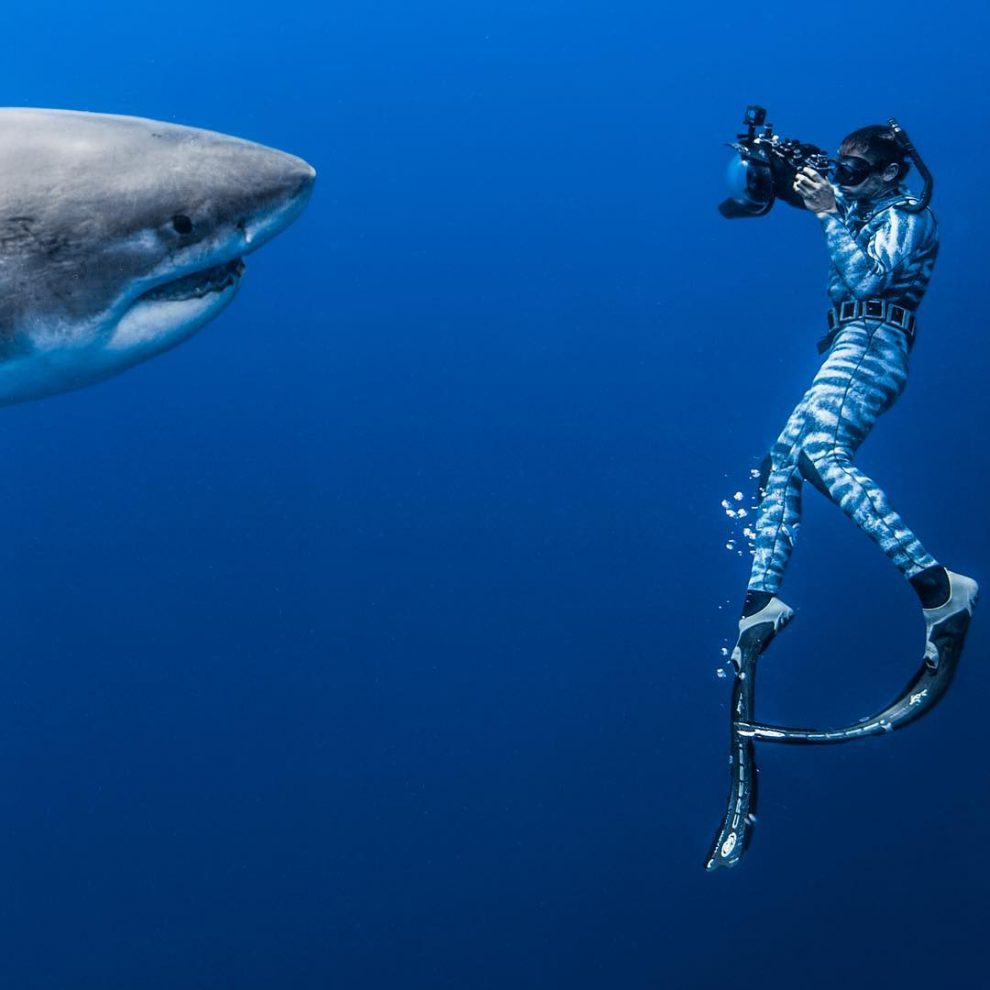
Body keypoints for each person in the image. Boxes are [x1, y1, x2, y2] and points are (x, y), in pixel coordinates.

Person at [732, 124, 978, 671]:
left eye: (856, 170)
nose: (843, 178)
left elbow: (868, 280)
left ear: (890, 173)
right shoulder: (858, 200)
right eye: (842, 166)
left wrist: (825, 213)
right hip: (847, 341)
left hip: (874, 342)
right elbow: (807, 185)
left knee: (820, 454)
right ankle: (761, 599)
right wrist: (771, 161)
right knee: (781, 462)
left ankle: (938, 587)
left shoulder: (907, 216)